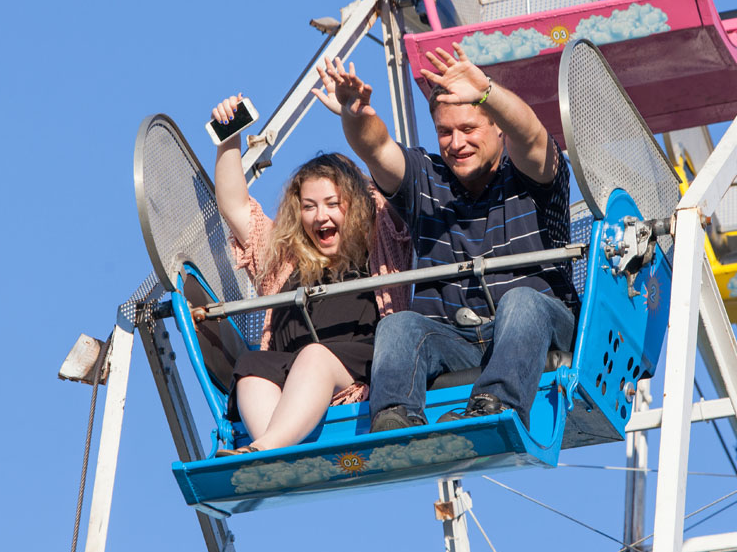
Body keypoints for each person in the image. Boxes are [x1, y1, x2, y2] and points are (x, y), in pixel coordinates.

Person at [319, 44, 578, 431]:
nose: (457, 143)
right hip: (455, 337)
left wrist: (487, 91)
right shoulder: (426, 178)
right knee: (399, 325)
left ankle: (498, 409)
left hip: (536, 326)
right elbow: (376, 147)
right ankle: (395, 420)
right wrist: (356, 115)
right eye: (445, 131)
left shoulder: (528, 175)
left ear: (497, 127)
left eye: (469, 129)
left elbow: (533, 138)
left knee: (522, 302)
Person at [210, 93, 411, 455]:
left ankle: (266, 448)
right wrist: (229, 137)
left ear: (358, 205)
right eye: (309, 207)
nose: (321, 217)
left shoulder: (382, 243)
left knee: (315, 356)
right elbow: (236, 207)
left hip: (356, 369)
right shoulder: (284, 258)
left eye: (333, 204)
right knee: (252, 365)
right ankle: (272, 450)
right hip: (290, 375)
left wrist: (355, 117)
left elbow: (391, 178)